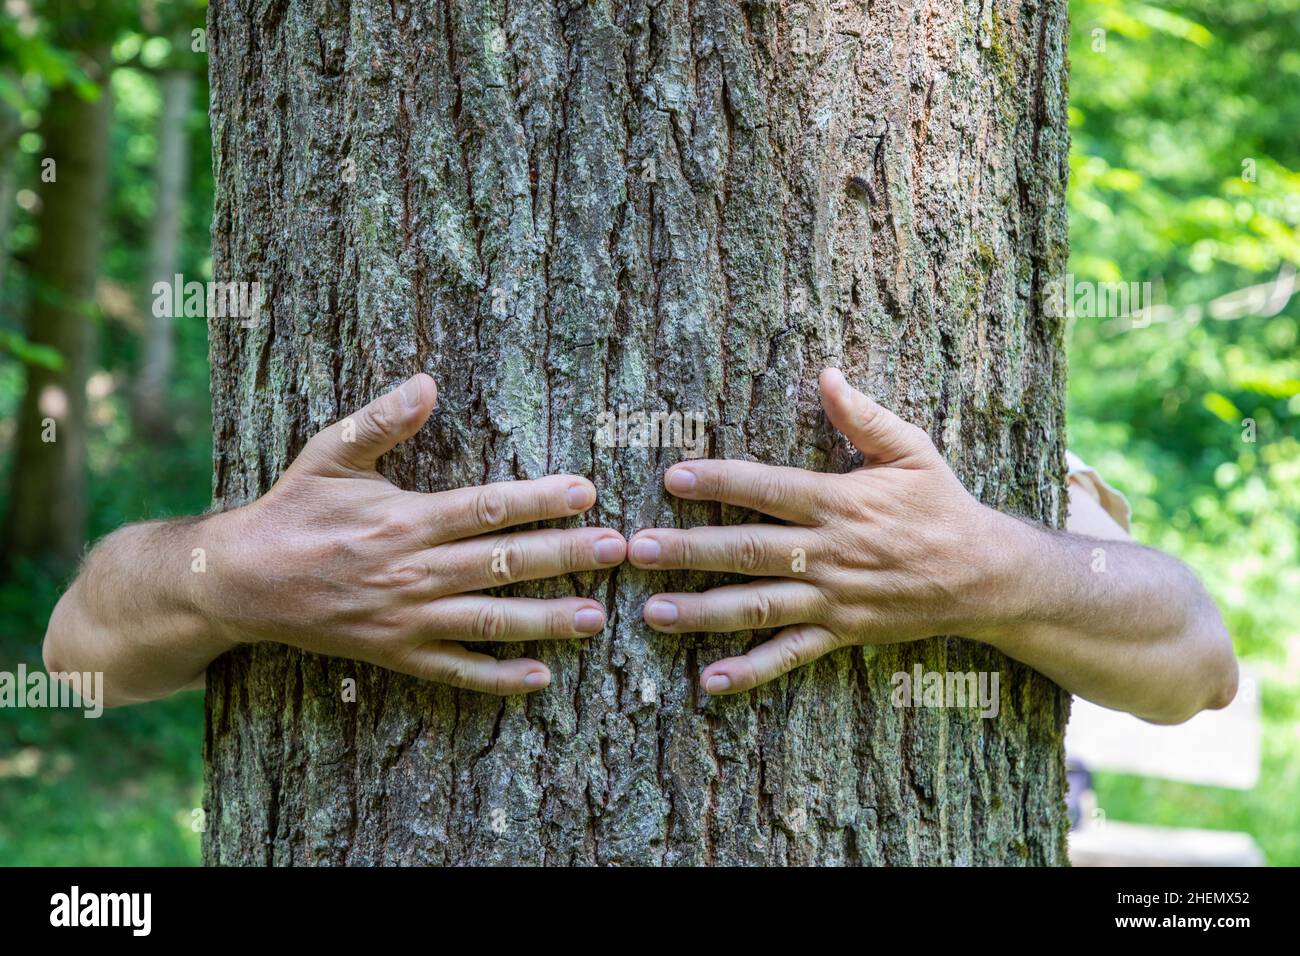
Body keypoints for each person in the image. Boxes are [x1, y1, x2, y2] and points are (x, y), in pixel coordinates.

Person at [41, 368, 1238, 724]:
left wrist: (995, 568)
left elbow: (1194, 658)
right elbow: (79, 647)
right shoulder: (304, 440)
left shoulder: (1010, 458)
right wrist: (235, 572)